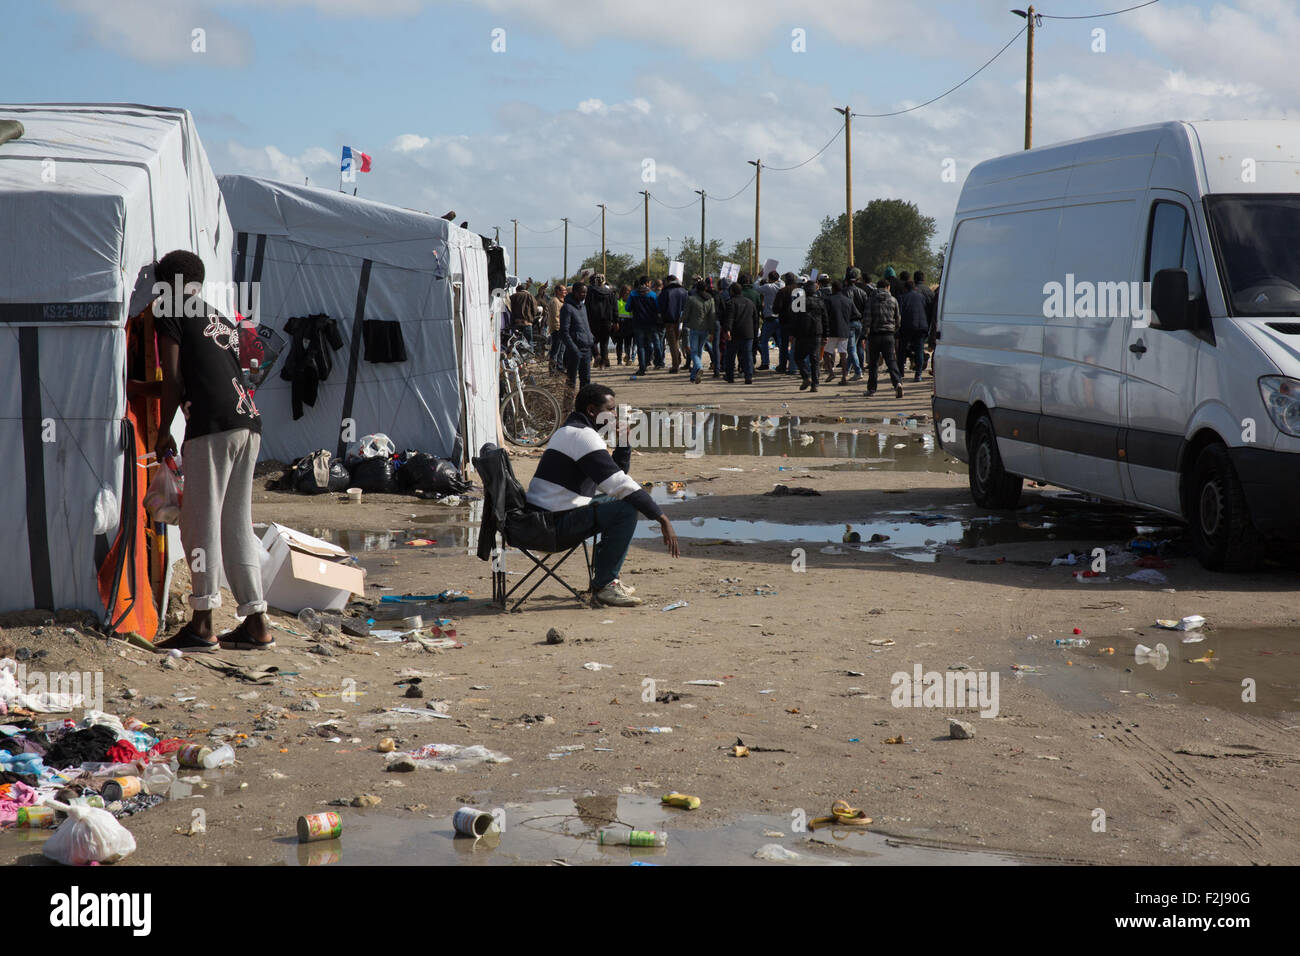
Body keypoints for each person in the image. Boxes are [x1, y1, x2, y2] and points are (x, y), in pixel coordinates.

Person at [151, 249, 270, 652]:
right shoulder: (215, 315)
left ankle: (202, 624)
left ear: (167, 283)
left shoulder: (169, 309)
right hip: (247, 421)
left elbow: (174, 379)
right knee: (237, 524)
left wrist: (163, 429)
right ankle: (256, 623)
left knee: (199, 523)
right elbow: (216, 372)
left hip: (213, 426)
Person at [526, 383, 679, 607]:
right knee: (626, 509)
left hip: (545, 517)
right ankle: (605, 583)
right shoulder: (583, 437)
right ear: (592, 411)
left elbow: (614, 476)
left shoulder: (570, 431)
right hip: (551, 527)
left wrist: (623, 443)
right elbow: (619, 484)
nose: (616, 415)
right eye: (611, 409)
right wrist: (661, 517)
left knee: (619, 501)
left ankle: (605, 579)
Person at [866, 277, 904, 399]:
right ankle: (897, 383)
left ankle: (872, 389)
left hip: (875, 335)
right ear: (888, 287)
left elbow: (867, 319)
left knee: (873, 363)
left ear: (877, 287)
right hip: (889, 335)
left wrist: (866, 332)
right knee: (891, 361)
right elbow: (898, 319)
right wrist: (894, 330)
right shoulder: (893, 300)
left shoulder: (871, 300)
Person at [559, 280, 595, 402]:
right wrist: (574, 349)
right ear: (574, 292)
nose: (583, 295)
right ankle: (567, 408)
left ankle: (583, 407)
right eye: (581, 293)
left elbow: (587, 328)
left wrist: (594, 348)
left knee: (586, 381)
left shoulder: (583, 307)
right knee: (571, 382)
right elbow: (564, 332)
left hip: (586, 350)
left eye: (585, 293)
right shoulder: (567, 308)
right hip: (574, 351)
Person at [791, 279, 828, 392]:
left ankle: (806, 377)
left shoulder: (800, 302)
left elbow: (795, 319)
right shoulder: (820, 302)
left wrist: (793, 334)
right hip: (817, 333)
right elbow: (825, 320)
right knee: (815, 360)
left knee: (798, 357)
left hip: (802, 333)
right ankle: (815, 384)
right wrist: (825, 335)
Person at [823, 279, 859, 386]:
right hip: (844, 330)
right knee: (843, 355)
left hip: (833, 330)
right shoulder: (848, 300)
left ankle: (831, 372)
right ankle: (844, 377)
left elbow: (825, 315)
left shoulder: (828, 300)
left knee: (826, 353)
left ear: (833, 288)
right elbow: (857, 314)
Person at [723, 280, 758, 384]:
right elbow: (755, 319)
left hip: (734, 333)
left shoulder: (730, 302)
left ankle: (730, 377)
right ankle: (748, 376)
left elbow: (729, 317)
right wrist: (755, 333)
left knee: (730, 356)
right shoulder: (750, 303)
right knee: (748, 356)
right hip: (748, 333)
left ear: (732, 291)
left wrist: (728, 330)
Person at [681, 279, 716, 384]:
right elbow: (712, 317)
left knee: (693, 351)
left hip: (694, 328)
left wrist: (682, 320)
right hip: (705, 329)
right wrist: (712, 331)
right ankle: (693, 376)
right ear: (706, 288)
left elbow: (686, 314)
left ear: (696, 288)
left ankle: (699, 367)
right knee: (699, 351)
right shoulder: (710, 300)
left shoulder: (691, 299)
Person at [626, 276, 659, 376]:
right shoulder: (652, 294)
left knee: (640, 346)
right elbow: (657, 308)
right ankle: (649, 361)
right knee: (648, 343)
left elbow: (627, 308)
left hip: (638, 323)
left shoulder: (633, 294)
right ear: (648, 283)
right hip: (650, 322)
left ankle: (642, 368)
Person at [898, 279, 929, 382]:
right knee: (919, 351)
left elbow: (899, 313)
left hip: (907, 326)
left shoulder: (902, 298)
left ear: (905, 288)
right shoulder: (921, 297)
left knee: (902, 349)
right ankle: (918, 374)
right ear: (914, 288)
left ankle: (901, 372)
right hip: (921, 326)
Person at [585, 274, 617, 369]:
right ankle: (603, 364)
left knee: (592, 340)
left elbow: (587, 306)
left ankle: (596, 355)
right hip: (607, 320)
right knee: (604, 343)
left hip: (593, 320)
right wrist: (616, 321)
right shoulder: (610, 292)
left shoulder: (590, 292)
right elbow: (615, 307)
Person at [658, 272, 688, 373]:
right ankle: (679, 359)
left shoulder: (666, 292)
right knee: (677, 341)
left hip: (669, 320)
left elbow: (660, 306)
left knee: (672, 343)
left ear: (668, 281)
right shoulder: (684, 291)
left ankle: (675, 365)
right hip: (681, 320)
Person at [774, 272, 801, 375]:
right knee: (796, 345)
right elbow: (801, 308)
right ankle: (795, 365)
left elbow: (776, 308)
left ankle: (782, 366)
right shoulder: (800, 291)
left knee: (784, 345)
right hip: (797, 321)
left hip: (784, 321)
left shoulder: (782, 291)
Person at [757, 270, 782, 370]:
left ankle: (765, 363)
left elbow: (756, 287)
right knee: (781, 343)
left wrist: (759, 277)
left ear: (769, 279)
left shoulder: (768, 287)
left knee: (763, 341)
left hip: (769, 318)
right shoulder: (781, 285)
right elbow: (780, 280)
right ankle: (785, 361)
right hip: (779, 318)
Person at [545, 284, 567, 372]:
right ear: (558, 291)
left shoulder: (561, 301)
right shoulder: (554, 301)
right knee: (555, 350)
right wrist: (559, 328)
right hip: (557, 329)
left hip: (562, 329)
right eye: (563, 290)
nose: (565, 292)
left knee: (561, 350)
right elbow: (555, 316)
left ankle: (559, 367)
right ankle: (552, 369)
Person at [614, 283, 634, 366]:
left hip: (629, 324)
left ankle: (628, 358)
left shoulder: (632, 302)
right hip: (620, 323)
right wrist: (616, 323)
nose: (627, 294)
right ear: (622, 293)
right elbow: (615, 313)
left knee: (628, 343)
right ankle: (619, 360)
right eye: (625, 292)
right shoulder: (618, 302)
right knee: (619, 343)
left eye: (629, 292)